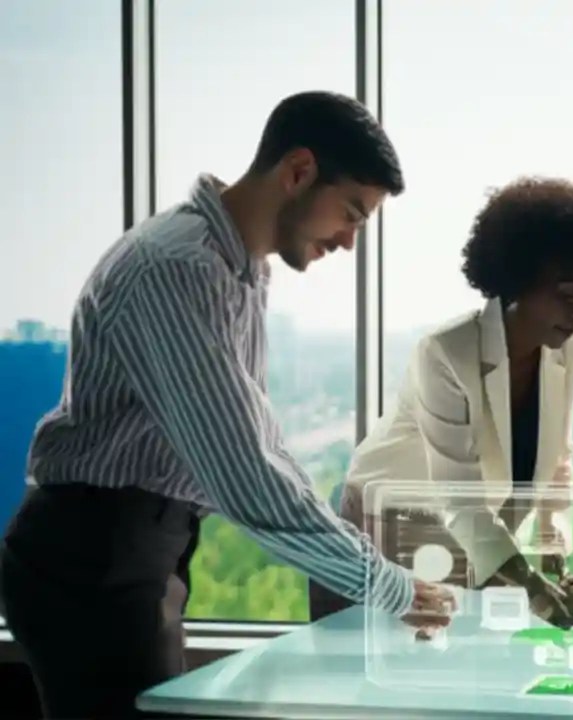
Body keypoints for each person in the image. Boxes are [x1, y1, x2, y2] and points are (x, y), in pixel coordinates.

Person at [0, 91, 456, 719]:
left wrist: (372, 569)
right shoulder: (177, 266)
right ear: (298, 172)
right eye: (351, 212)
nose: (350, 242)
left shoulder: (239, 269)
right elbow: (246, 473)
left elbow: (260, 442)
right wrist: (385, 584)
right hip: (92, 559)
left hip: (136, 550)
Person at [316, 177, 573, 628]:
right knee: (370, 684)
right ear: (520, 278)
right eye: (567, 294)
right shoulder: (446, 352)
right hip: (380, 536)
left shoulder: (566, 351)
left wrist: (553, 564)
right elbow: (460, 498)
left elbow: (556, 465)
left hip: (461, 545)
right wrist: (528, 584)